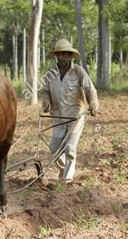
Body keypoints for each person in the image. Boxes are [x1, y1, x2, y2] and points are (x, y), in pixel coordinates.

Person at [42, 39, 99, 184]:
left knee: (70, 148)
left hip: (75, 117)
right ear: (56, 55)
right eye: (59, 54)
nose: (62, 58)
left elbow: (90, 89)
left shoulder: (78, 71)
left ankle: (67, 180)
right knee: (54, 148)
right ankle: (63, 168)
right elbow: (46, 91)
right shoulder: (50, 72)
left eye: (65, 54)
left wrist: (93, 104)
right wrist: (46, 102)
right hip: (57, 117)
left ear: (70, 56)